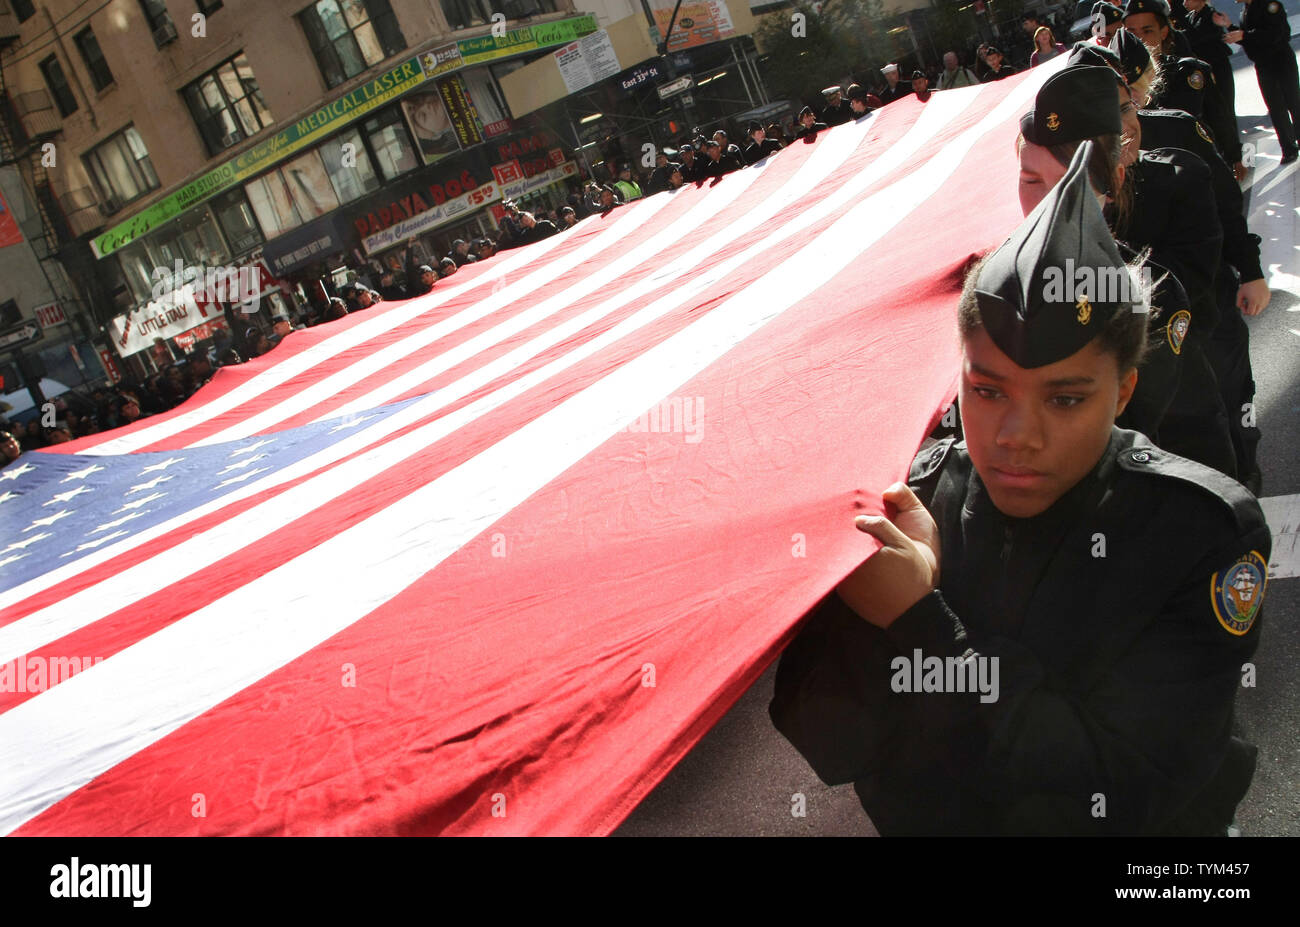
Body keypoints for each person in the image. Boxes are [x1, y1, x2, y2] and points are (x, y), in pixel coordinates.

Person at [769, 141, 1269, 836]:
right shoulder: (924, 493)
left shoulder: (1199, 532)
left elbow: (1112, 792)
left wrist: (920, 621)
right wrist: (869, 602)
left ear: (1123, 392)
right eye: (987, 391)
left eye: (1064, 400)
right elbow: (827, 735)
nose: (1015, 435)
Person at [1225, 0, 1300, 163]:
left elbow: (1277, 34)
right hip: (1263, 65)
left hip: (1281, 60)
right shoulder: (1245, 10)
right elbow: (1248, 38)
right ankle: (1288, 148)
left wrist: (1245, 35)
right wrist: (1231, 27)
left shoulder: (1269, 4)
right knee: (1275, 107)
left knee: (1293, 102)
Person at [1183, 0, 1243, 176]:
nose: (1185, 2)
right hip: (1204, 73)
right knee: (1213, 115)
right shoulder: (1189, 17)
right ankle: (1226, 155)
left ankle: (1236, 157)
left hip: (1217, 70)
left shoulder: (1212, 15)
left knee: (1225, 111)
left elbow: (1205, 38)